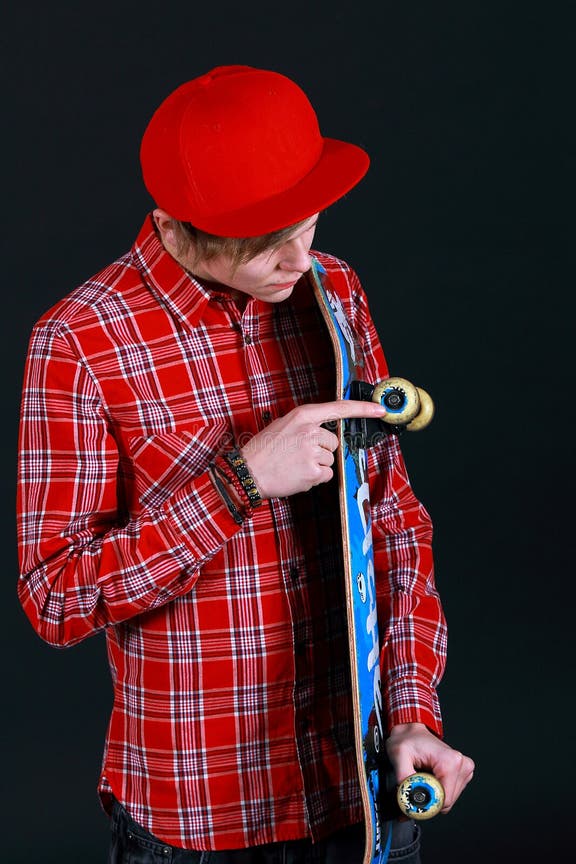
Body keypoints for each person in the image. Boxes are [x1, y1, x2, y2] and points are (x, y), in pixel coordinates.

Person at [16, 65, 474, 863]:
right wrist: (239, 483)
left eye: (311, 224)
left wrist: (410, 710)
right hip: (202, 821)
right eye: (270, 239)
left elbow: (392, 518)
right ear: (173, 224)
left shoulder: (334, 295)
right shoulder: (80, 343)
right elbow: (54, 596)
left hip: (364, 797)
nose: (303, 258)